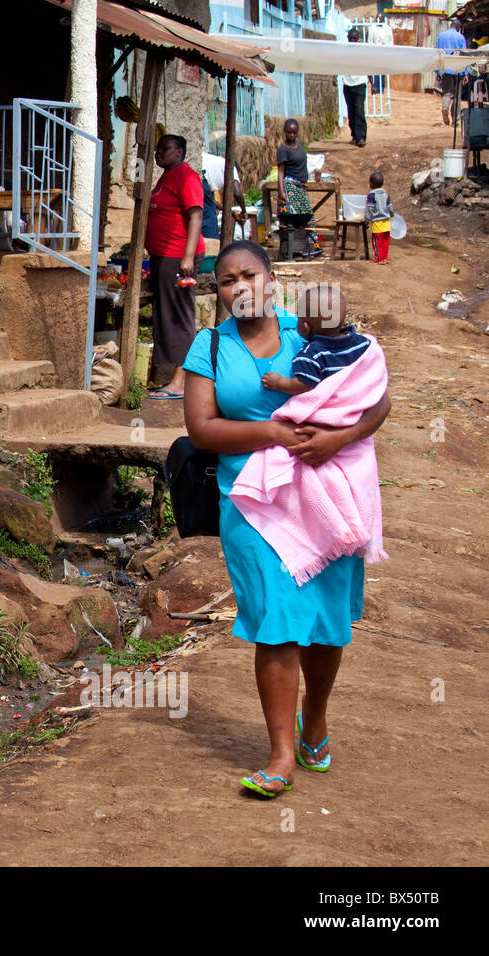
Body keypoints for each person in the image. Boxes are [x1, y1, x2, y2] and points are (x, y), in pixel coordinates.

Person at [182, 241, 392, 798]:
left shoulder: (316, 328)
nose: (239, 287)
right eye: (227, 281)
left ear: (272, 280)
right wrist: (275, 433)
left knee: (324, 620)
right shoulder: (208, 347)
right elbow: (202, 429)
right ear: (218, 292)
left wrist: (339, 439)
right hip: (250, 498)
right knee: (275, 619)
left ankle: (315, 720)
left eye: (249, 275)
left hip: (326, 493)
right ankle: (279, 754)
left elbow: (377, 395)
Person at [144, 134, 204, 400]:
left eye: (165, 148)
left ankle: (182, 382)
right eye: (158, 148)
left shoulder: (186, 177)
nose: (159, 153)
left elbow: (196, 215)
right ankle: (172, 377)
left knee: (179, 316)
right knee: (165, 315)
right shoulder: (167, 176)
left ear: (179, 151)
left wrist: (188, 257)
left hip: (179, 256)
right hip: (163, 256)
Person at [275, 120, 322, 261]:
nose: (292, 135)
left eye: (294, 132)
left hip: (301, 187)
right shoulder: (283, 149)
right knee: (292, 218)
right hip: (290, 187)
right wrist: (282, 191)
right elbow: (281, 171)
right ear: (285, 131)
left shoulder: (300, 145)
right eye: (289, 132)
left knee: (308, 217)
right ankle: (292, 251)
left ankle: (310, 248)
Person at [437, 19, 468, 126]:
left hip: (445, 68)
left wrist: (438, 71)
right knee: (457, 96)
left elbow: (438, 54)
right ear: (458, 28)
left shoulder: (441, 36)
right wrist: (466, 73)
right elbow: (464, 55)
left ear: (450, 26)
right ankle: (456, 120)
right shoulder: (460, 37)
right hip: (457, 69)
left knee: (447, 92)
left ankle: (445, 106)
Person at [341, 29, 368, 148]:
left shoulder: (363, 51)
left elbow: (369, 66)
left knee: (359, 110)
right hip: (347, 84)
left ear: (358, 39)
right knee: (351, 112)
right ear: (348, 38)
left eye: (354, 39)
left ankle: (361, 137)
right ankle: (354, 136)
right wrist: (334, 77)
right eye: (350, 38)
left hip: (360, 84)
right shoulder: (344, 52)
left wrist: (372, 83)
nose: (352, 41)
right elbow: (337, 64)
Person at [364, 171, 395, 265]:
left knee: (377, 241)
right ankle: (384, 258)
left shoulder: (372, 195)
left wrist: (366, 219)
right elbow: (389, 206)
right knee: (385, 241)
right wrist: (392, 214)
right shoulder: (385, 194)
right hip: (386, 221)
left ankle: (378, 258)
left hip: (377, 222)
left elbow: (369, 209)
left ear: (371, 184)